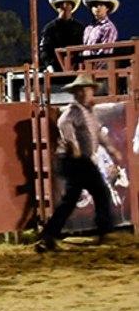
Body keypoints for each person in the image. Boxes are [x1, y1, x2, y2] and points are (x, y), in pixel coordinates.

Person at [36, 74, 122, 252]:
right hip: (73, 160)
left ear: (91, 91)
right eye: (80, 90)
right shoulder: (73, 111)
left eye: (87, 89)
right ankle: (105, 231)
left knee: (73, 198)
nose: (84, 93)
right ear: (75, 93)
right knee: (100, 192)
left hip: (78, 160)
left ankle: (49, 235)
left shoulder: (89, 111)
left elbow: (97, 132)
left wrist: (111, 149)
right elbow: (63, 123)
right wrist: (73, 145)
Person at [39, 0, 85, 73]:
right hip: (56, 70)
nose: (65, 7)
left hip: (76, 69)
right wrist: (49, 66)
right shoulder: (49, 28)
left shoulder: (80, 27)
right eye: (61, 5)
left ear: (72, 7)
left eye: (68, 4)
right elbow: (44, 50)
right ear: (57, 7)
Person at [82, 0, 119, 67]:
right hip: (86, 67)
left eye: (101, 5)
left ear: (107, 8)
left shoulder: (108, 27)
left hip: (100, 69)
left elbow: (105, 53)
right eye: (95, 5)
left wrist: (93, 69)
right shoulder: (89, 28)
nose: (97, 8)